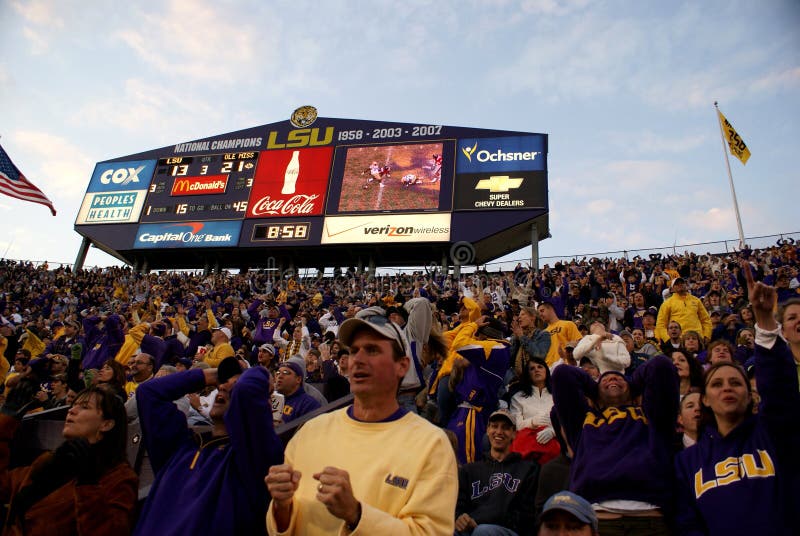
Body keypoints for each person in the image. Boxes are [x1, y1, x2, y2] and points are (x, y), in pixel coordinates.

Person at [265, 308, 458, 535]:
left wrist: (356, 515)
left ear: (402, 366)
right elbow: (284, 525)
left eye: (373, 350)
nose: (358, 359)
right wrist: (281, 507)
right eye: (354, 351)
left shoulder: (432, 445)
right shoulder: (310, 432)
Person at [674, 263, 800, 535]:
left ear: (750, 395)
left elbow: (780, 388)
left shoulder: (772, 434)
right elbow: (688, 524)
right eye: (717, 384)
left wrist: (765, 320)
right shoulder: (687, 461)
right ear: (705, 399)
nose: (727, 388)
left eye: (736, 382)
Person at [135, 356, 283, 536]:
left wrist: (255, 375)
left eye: (232, 389)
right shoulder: (180, 447)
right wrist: (212, 376)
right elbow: (148, 393)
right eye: (221, 385)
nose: (222, 387)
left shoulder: (250, 461)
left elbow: (249, 390)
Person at [552, 352, 678, 535]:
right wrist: (597, 389)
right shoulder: (583, 421)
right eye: (606, 378)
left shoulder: (652, 417)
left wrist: (631, 384)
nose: (612, 377)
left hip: (651, 519)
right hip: (598, 519)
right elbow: (562, 374)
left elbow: (661, 365)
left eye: (620, 378)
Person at [0, 385, 138, 534]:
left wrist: (88, 484)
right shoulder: (50, 461)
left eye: (84, 407)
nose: (71, 410)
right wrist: (5, 424)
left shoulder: (118, 477)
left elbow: (111, 531)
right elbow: (3, 486)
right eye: (73, 406)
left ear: (106, 424)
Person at [455, 409, 539, 536]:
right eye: (494, 426)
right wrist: (461, 519)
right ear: (487, 430)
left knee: (483, 532)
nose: (499, 432)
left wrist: (479, 522)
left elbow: (526, 517)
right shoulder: (469, 470)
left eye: (505, 428)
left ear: (514, 434)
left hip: (508, 531)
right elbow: (458, 508)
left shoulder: (528, 469)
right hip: (471, 531)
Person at [509, 358, 559, 464]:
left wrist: (553, 431)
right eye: (532, 368)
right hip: (526, 445)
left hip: (554, 441)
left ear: (546, 370)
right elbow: (515, 425)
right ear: (528, 375)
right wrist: (532, 422)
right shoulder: (518, 397)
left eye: (540, 367)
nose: (536, 370)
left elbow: (567, 421)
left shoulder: (559, 396)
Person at [655, 277, 712, 344]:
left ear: (686, 285)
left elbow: (706, 320)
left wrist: (707, 335)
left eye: (682, 283)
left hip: (698, 338)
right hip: (679, 340)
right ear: (672, 288)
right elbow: (661, 324)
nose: (680, 285)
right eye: (676, 284)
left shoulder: (696, 300)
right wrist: (668, 340)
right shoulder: (667, 304)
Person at [537, 302, 582, 367]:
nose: (540, 314)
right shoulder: (542, 333)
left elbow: (579, 343)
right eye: (539, 313)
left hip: (566, 365)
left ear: (551, 309)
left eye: (542, 311)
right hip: (549, 368)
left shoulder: (568, 324)